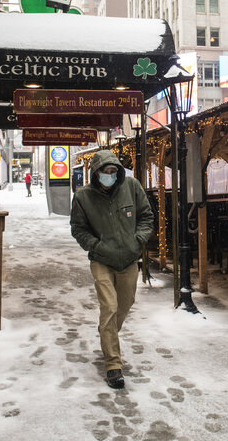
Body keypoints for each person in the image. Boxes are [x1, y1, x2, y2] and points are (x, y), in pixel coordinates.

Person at [70, 150, 154, 389]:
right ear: (96, 173)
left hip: (128, 258)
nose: (110, 175)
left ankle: (107, 332)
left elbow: (146, 216)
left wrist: (137, 240)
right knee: (109, 307)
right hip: (101, 260)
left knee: (125, 304)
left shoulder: (132, 186)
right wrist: (95, 246)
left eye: (113, 171)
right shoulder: (83, 197)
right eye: (106, 172)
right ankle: (113, 365)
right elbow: (78, 228)